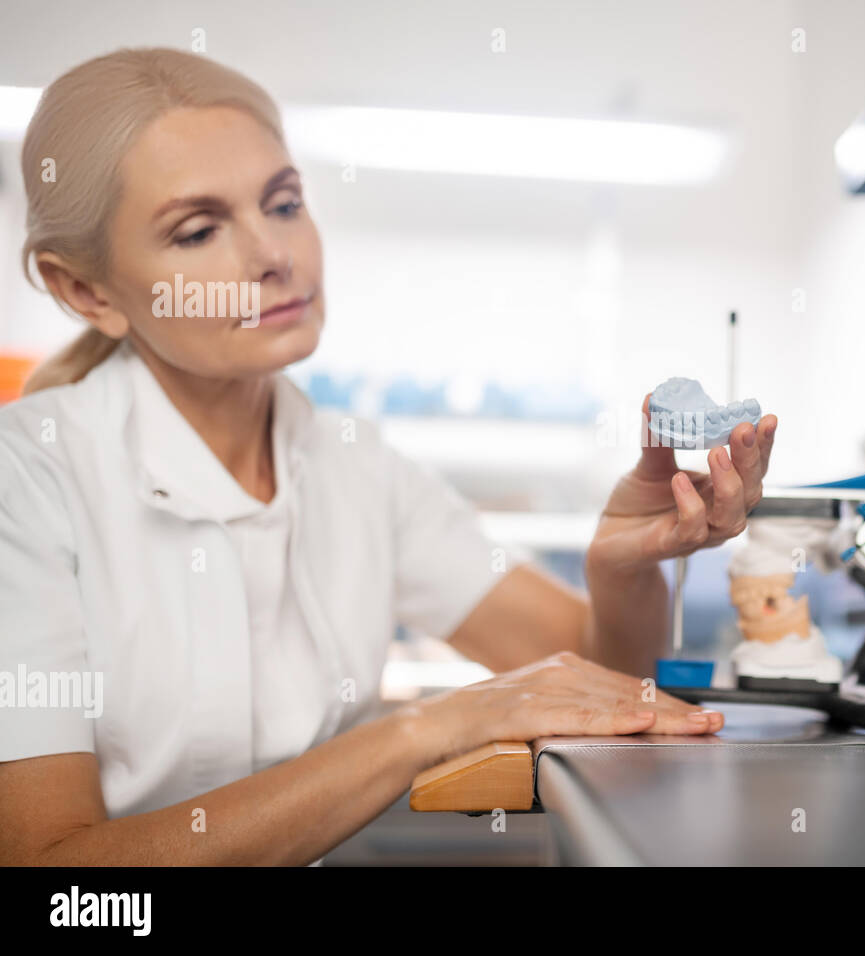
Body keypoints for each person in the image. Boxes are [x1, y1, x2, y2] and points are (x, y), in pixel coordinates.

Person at [0, 48, 777, 865]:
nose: (275, 255)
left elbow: (604, 680)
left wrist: (622, 568)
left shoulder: (354, 466)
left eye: (284, 202)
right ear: (87, 293)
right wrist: (425, 730)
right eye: (198, 230)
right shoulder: (28, 478)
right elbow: (55, 882)